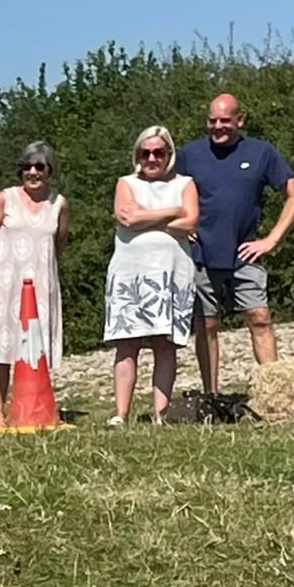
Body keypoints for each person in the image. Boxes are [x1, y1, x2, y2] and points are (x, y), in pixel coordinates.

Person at [175, 94, 294, 396]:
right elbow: (162, 191)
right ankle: (211, 396)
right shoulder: (189, 154)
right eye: (212, 120)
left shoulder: (261, 152)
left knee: (260, 318)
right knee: (207, 325)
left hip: (245, 252)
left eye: (225, 120)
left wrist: (272, 240)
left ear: (240, 120)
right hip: (200, 253)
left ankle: (273, 395)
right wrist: (181, 226)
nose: (218, 126)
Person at [0, 142, 69, 428]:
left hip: (41, 282)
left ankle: (39, 408)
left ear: (50, 171)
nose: (33, 172)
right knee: (0, 350)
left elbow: (60, 241)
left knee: (38, 348)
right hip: (4, 283)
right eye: (27, 166)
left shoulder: (58, 203)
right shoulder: (6, 198)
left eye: (40, 166)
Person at [104, 126, 198, 426]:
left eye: (158, 152)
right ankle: (121, 414)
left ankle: (161, 414)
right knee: (127, 344)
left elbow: (192, 221)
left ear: (169, 154)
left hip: (171, 274)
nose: (152, 158)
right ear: (137, 155)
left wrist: (148, 218)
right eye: (145, 153)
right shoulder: (126, 183)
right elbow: (128, 217)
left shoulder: (185, 183)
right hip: (130, 273)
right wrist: (172, 212)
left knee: (164, 344)